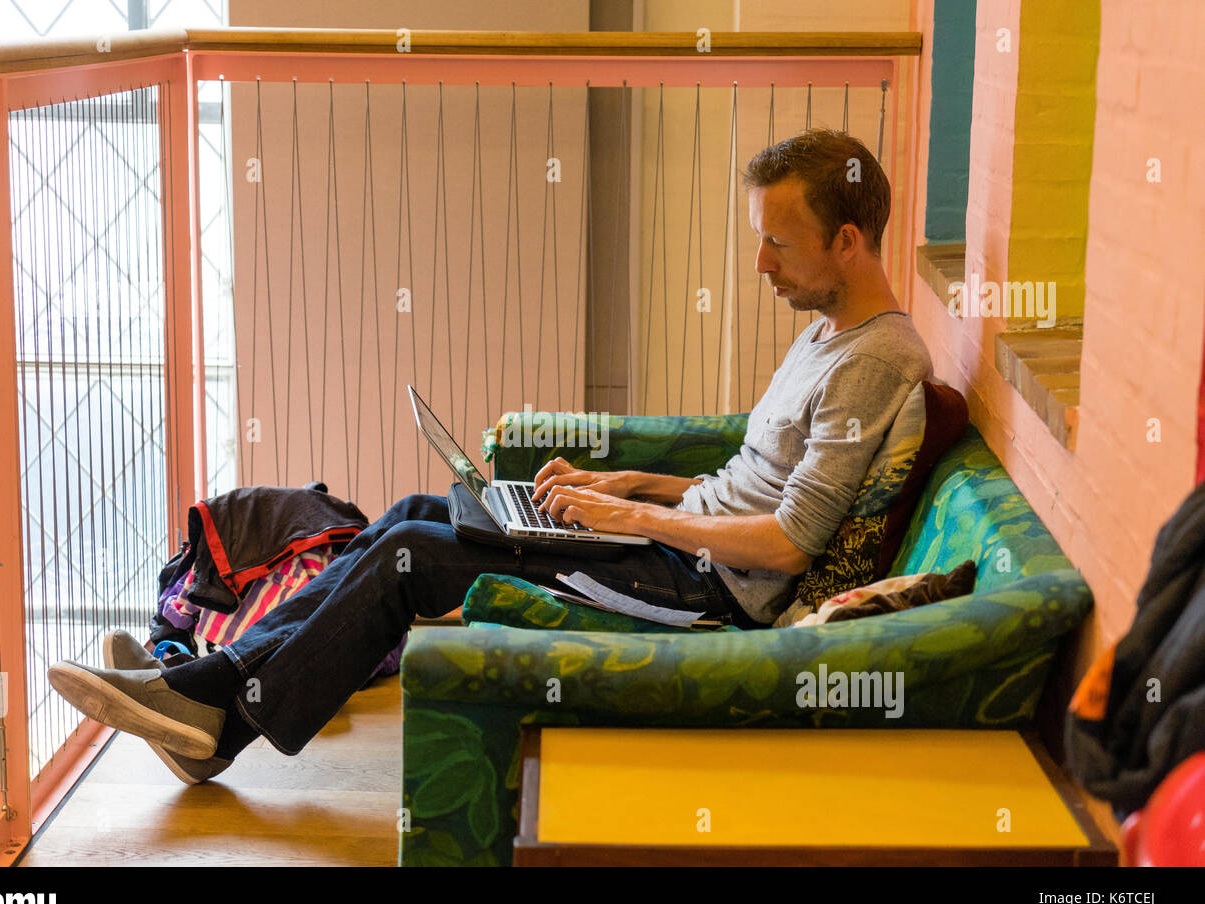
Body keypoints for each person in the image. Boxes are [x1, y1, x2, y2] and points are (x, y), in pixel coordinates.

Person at [48, 128, 933, 783]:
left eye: (777, 241)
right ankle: (215, 697)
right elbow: (747, 481)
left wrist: (630, 517)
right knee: (413, 515)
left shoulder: (875, 359)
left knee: (410, 559)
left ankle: (218, 714)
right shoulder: (829, 330)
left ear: (846, 240)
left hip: (705, 593)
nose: (758, 263)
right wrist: (625, 483)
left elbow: (784, 543)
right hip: (673, 544)